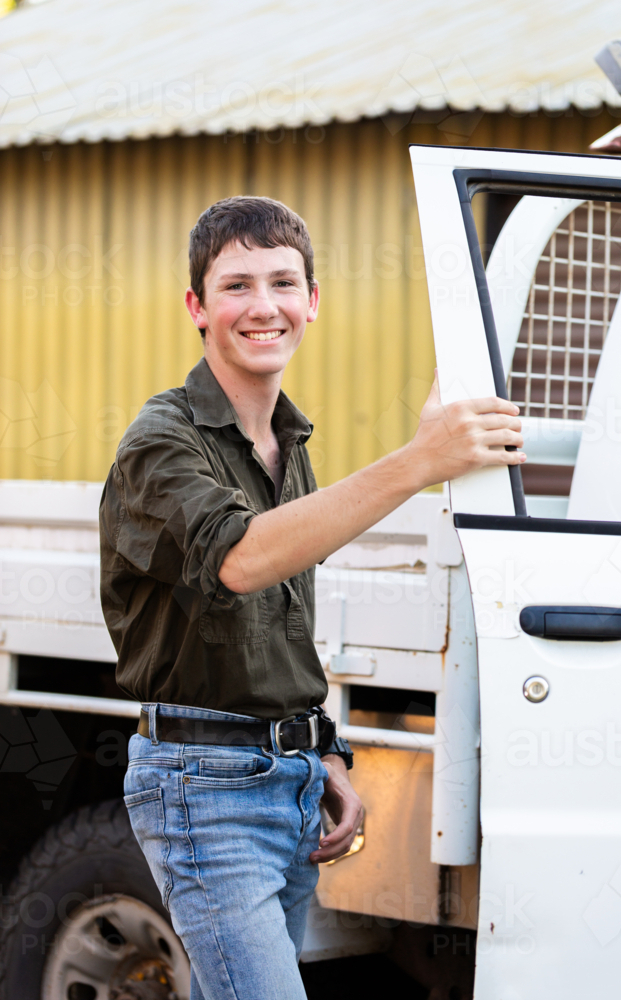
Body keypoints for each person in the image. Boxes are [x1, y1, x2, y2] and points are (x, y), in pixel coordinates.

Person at [99, 196, 525, 1000]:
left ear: (313, 300)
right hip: (204, 785)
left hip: (286, 775)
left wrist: (319, 746)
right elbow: (243, 561)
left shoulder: (287, 445)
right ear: (197, 307)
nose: (263, 307)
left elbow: (280, 619)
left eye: (283, 282)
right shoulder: (160, 441)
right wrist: (418, 459)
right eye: (236, 286)